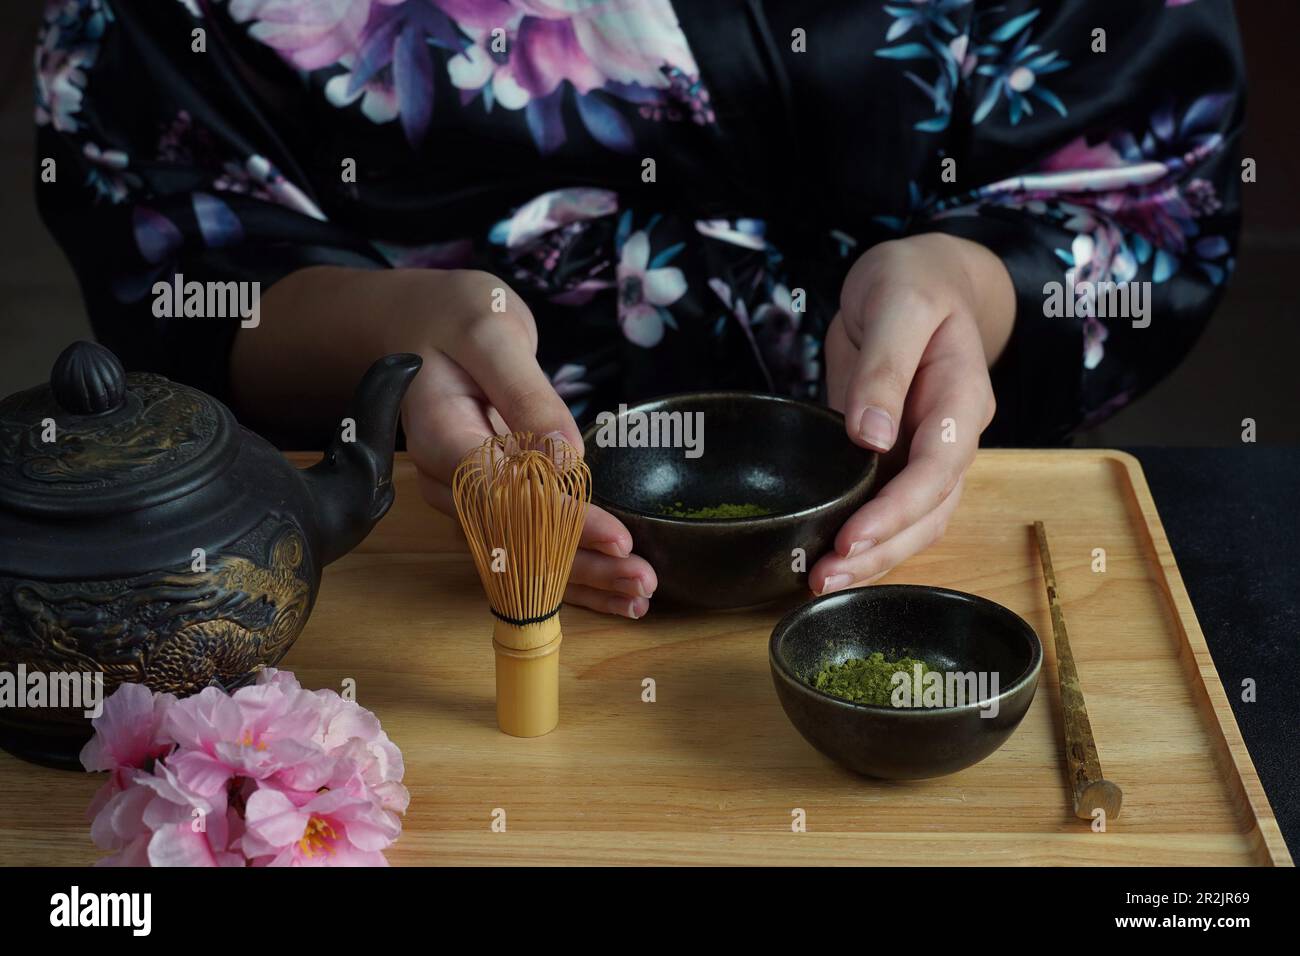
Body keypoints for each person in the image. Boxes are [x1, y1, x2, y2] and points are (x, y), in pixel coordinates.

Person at [35, 0, 1243, 617]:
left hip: (936, 510)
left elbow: (1152, 184)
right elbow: (162, 236)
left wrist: (966, 289)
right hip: (399, 536)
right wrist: (387, 340)